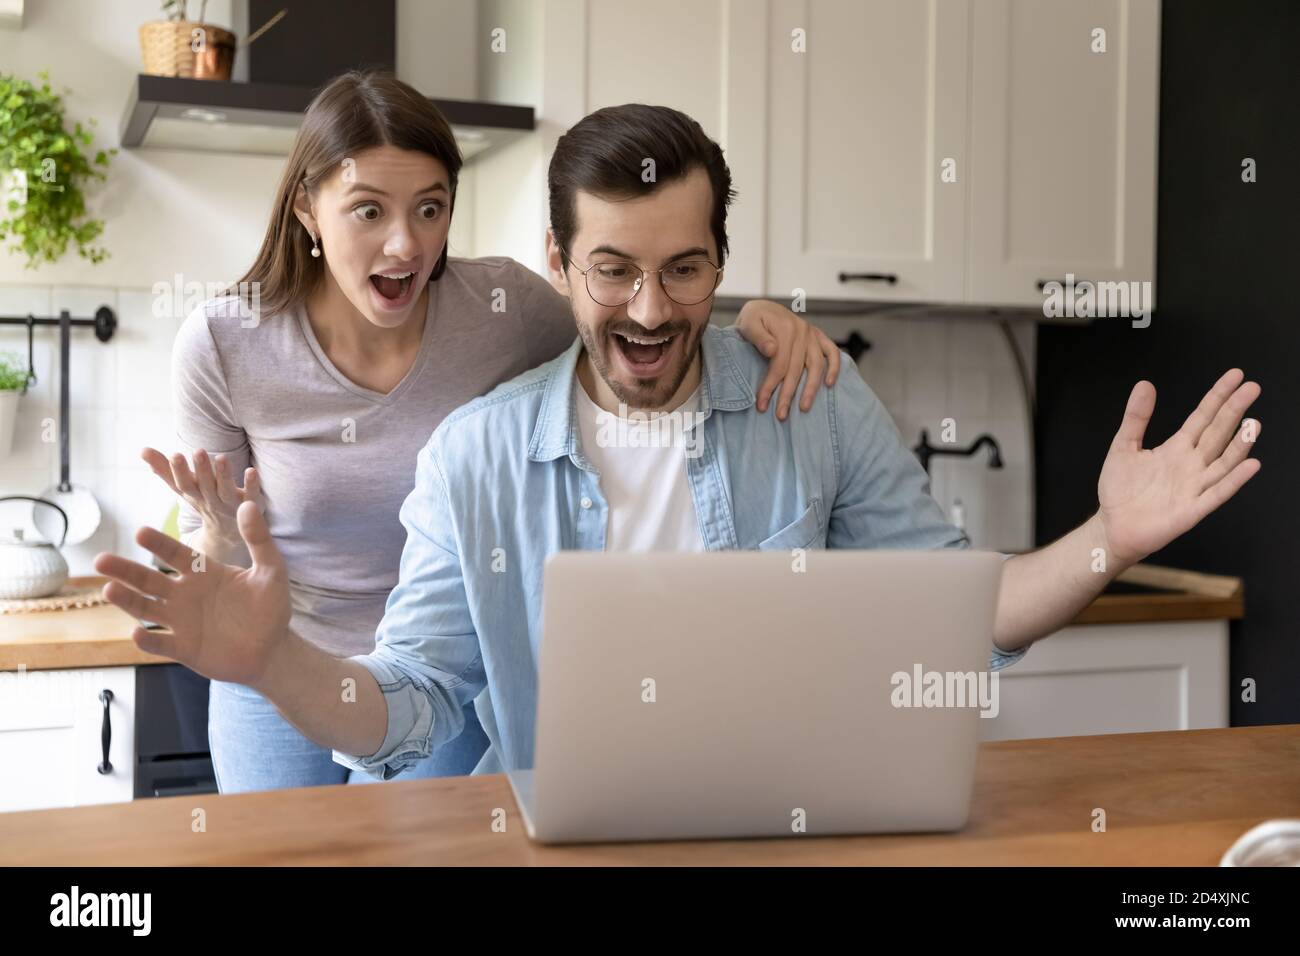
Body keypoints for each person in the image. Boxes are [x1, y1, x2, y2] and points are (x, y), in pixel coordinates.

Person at [98, 103, 1262, 782]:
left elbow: (961, 603)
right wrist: (272, 663)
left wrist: (1108, 537)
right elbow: (417, 706)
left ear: (721, 259)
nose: (650, 311)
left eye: (685, 268)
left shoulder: (809, 397)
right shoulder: (476, 455)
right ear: (555, 269)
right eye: (611, 270)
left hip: (788, 820)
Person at [147, 75, 842, 794]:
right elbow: (225, 554)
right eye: (367, 210)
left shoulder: (506, 309)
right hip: (284, 660)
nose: (404, 242)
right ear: (306, 210)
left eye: (430, 208)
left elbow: (633, 327)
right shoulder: (226, 345)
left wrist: (756, 323)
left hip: (445, 669)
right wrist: (219, 543)